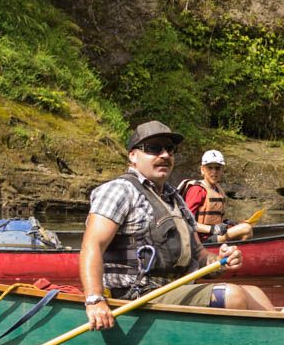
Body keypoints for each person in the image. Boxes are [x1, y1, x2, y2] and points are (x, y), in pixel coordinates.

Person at [80, 121, 274, 331]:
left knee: (254, 292)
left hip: (172, 290)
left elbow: (200, 255)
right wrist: (94, 300)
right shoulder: (119, 191)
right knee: (232, 295)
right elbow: (92, 246)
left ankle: (280, 338)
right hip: (134, 296)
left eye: (169, 149)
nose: (164, 155)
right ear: (133, 156)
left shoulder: (175, 199)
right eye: (154, 148)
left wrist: (219, 261)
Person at [179, 149, 254, 243]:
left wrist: (233, 223)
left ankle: (237, 254)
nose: (214, 171)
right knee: (246, 229)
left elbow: (216, 220)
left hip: (214, 236)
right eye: (210, 168)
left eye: (217, 168)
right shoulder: (197, 190)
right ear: (202, 170)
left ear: (222, 170)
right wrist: (212, 229)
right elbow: (185, 221)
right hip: (201, 240)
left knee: (245, 226)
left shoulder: (217, 189)